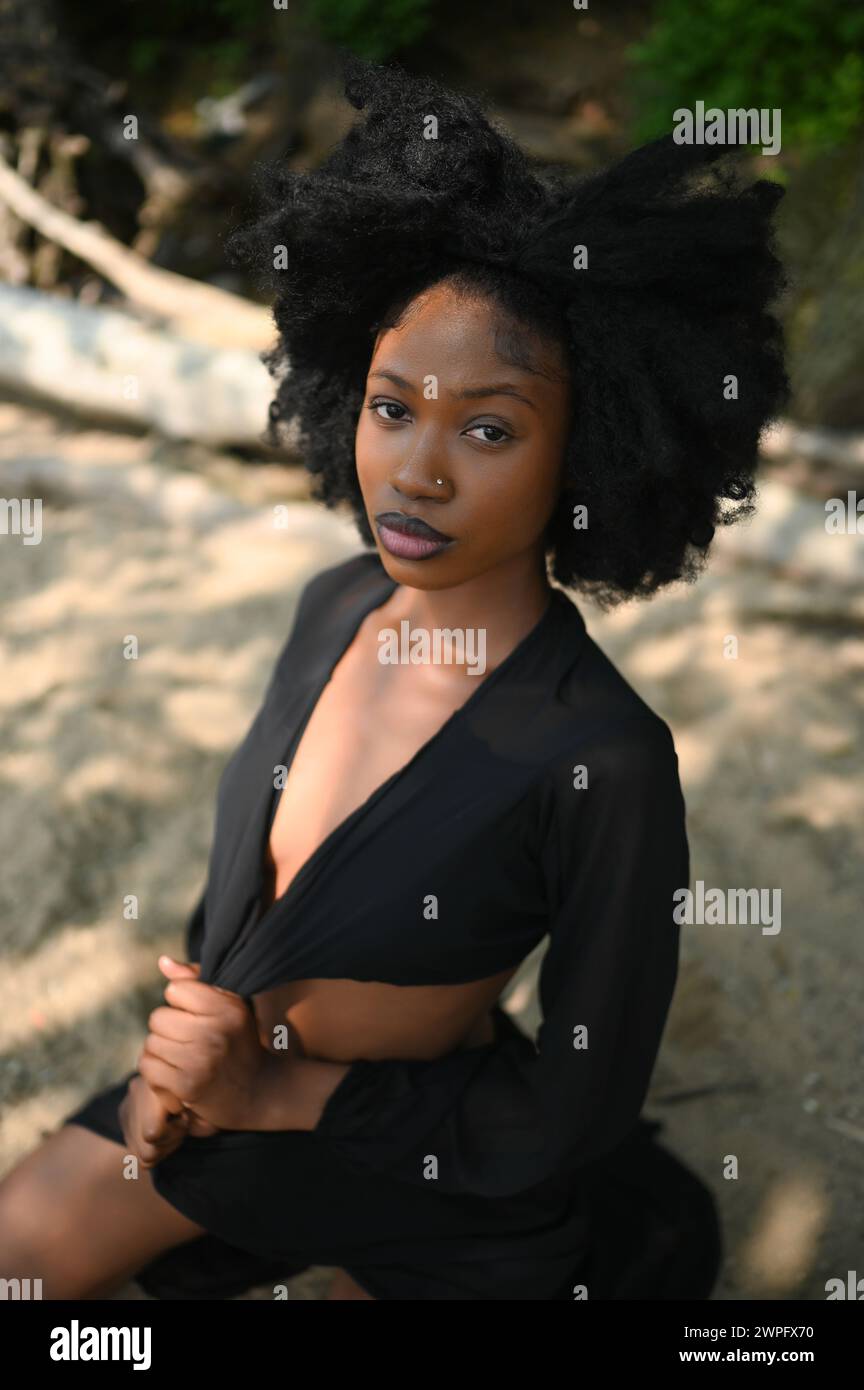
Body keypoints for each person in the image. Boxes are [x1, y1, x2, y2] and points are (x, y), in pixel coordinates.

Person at [0, 54, 788, 1300]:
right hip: (216, 1094)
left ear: (590, 449)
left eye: (487, 428)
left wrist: (275, 1086)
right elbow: (249, 899)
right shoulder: (336, 603)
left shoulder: (607, 758)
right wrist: (187, 1065)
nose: (416, 472)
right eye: (389, 406)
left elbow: (579, 1097)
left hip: (424, 1153)